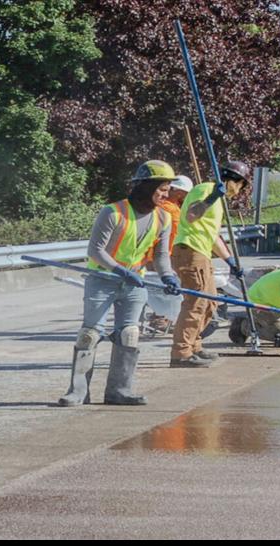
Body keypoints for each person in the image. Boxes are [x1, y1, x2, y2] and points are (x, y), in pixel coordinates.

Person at [59, 160, 180, 406]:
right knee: (89, 335)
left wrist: (168, 275)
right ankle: (78, 392)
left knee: (129, 334)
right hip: (103, 280)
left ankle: (119, 390)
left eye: (167, 190)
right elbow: (95, 250)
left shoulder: (164, 218)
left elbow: (160, 256)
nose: (166, 195)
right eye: (162, 189)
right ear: (147, 186)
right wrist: (120, 270)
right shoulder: (113, 212)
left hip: (135, 285)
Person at [169, 161, 251, 368]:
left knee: (211, 302)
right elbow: (191, 215)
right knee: (195, 303)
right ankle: (181, 353)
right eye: (241, 185)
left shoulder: (218, 200)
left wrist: (230, 261)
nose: (239, 191)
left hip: (201, 253)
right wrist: (213, 196)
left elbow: (212, 235)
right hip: (190, 251)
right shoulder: (205, 190)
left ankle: (194, 346)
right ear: (234, 181)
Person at [143, 174, 192, 336]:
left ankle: (162, 317)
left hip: (167, 253)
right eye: (185, 193)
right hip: (160, 254)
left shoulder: (174, 207)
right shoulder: (164, 208)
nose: (186, 196)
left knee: (163, 287)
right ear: (178, 191)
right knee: (160, 287)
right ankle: (160, 317)